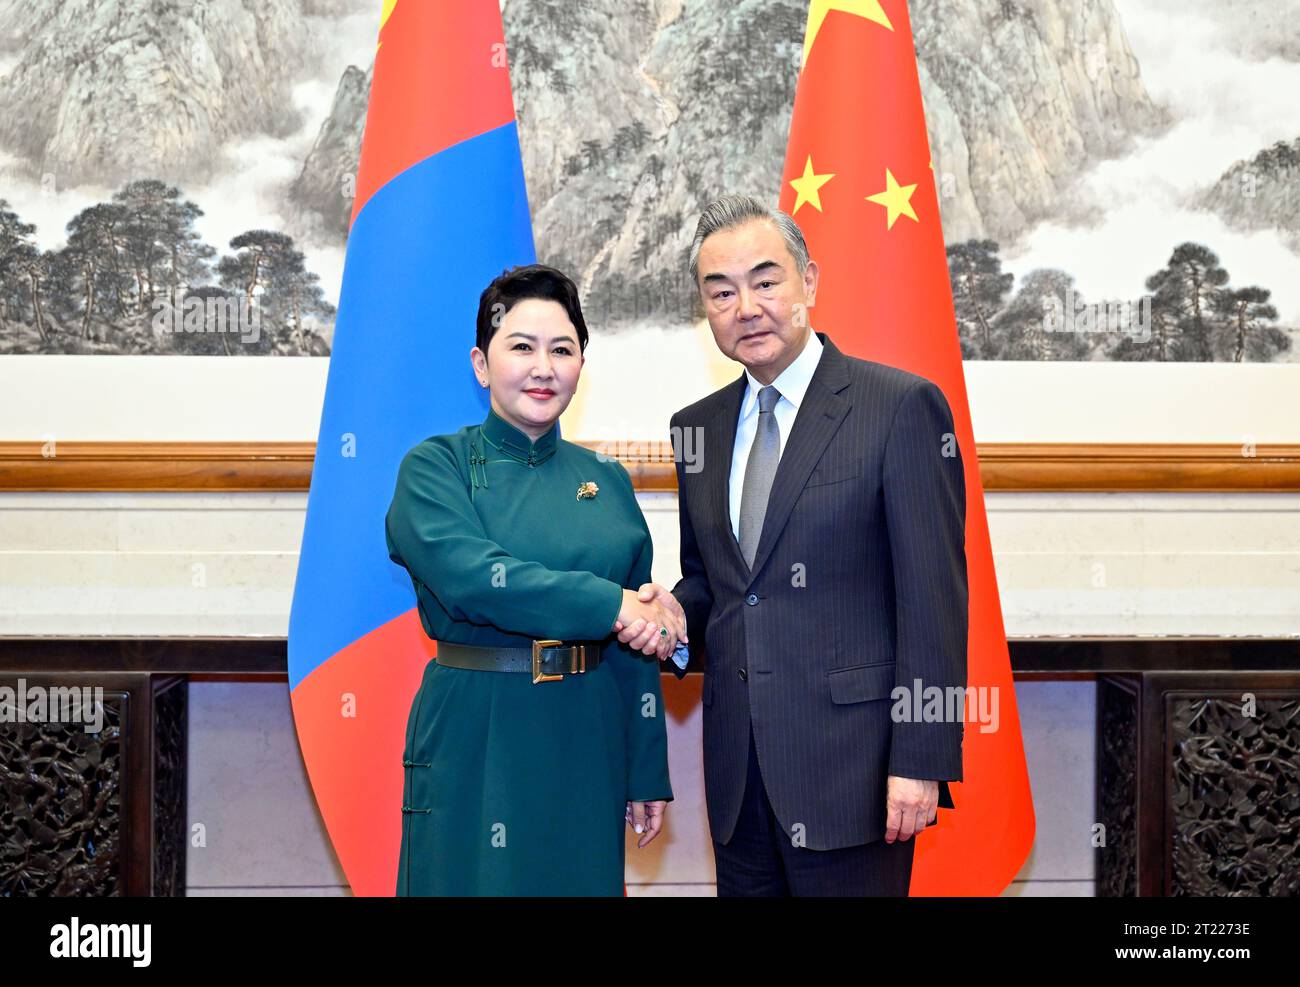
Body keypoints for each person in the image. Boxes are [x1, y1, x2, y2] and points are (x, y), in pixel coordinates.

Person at [634, 194, 968, 896]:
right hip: (740, 780)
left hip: (857, 777)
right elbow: (719, 583)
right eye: (720, 292)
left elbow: (934, 603)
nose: (745, 306)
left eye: (765, 280)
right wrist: (671, 613)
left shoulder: (899, 407)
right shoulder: (697, 427)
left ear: (809, 282)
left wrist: (921, 759)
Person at [385, 264, 686, 896]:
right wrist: (612, 605)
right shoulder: (435, 467)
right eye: (521, 346)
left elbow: (638, 636)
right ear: (481, 363)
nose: (542, 367)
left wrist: (646, 769)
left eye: (563, 349)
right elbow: (474, 579)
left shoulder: (607, 481)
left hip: (588, 730)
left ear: (581, 365)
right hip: (477, 724)